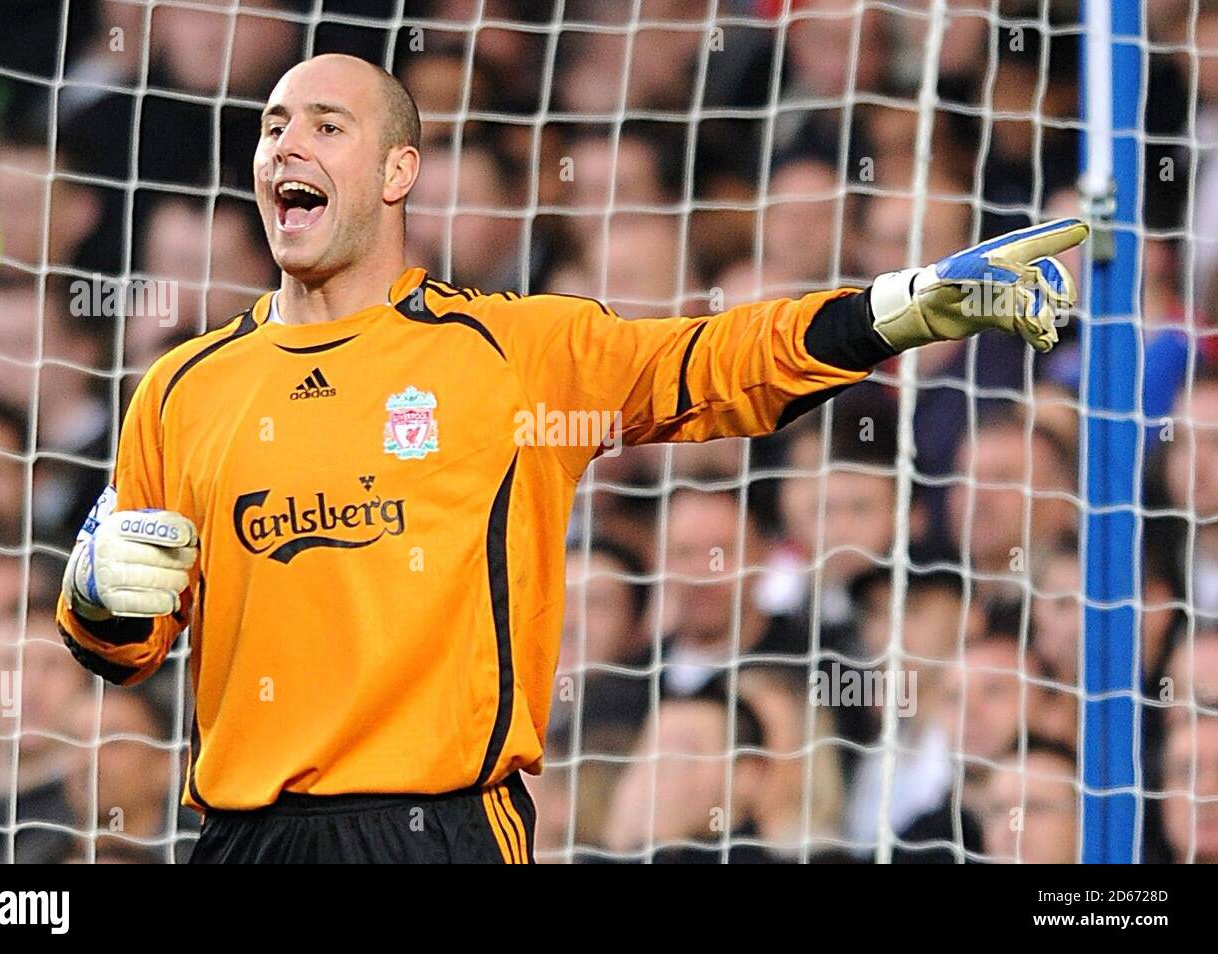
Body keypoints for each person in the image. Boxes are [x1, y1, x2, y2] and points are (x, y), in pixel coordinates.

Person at [54, 53, 1088, 864]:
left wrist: (891, 311)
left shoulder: (515, 352)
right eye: (274, 124)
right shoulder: (181, 390)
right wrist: (97, 601)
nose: (289, 143)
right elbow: (121, 645)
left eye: (328, 124)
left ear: (398, 169)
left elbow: (716, 361)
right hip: (243, 834)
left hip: (440, 830)